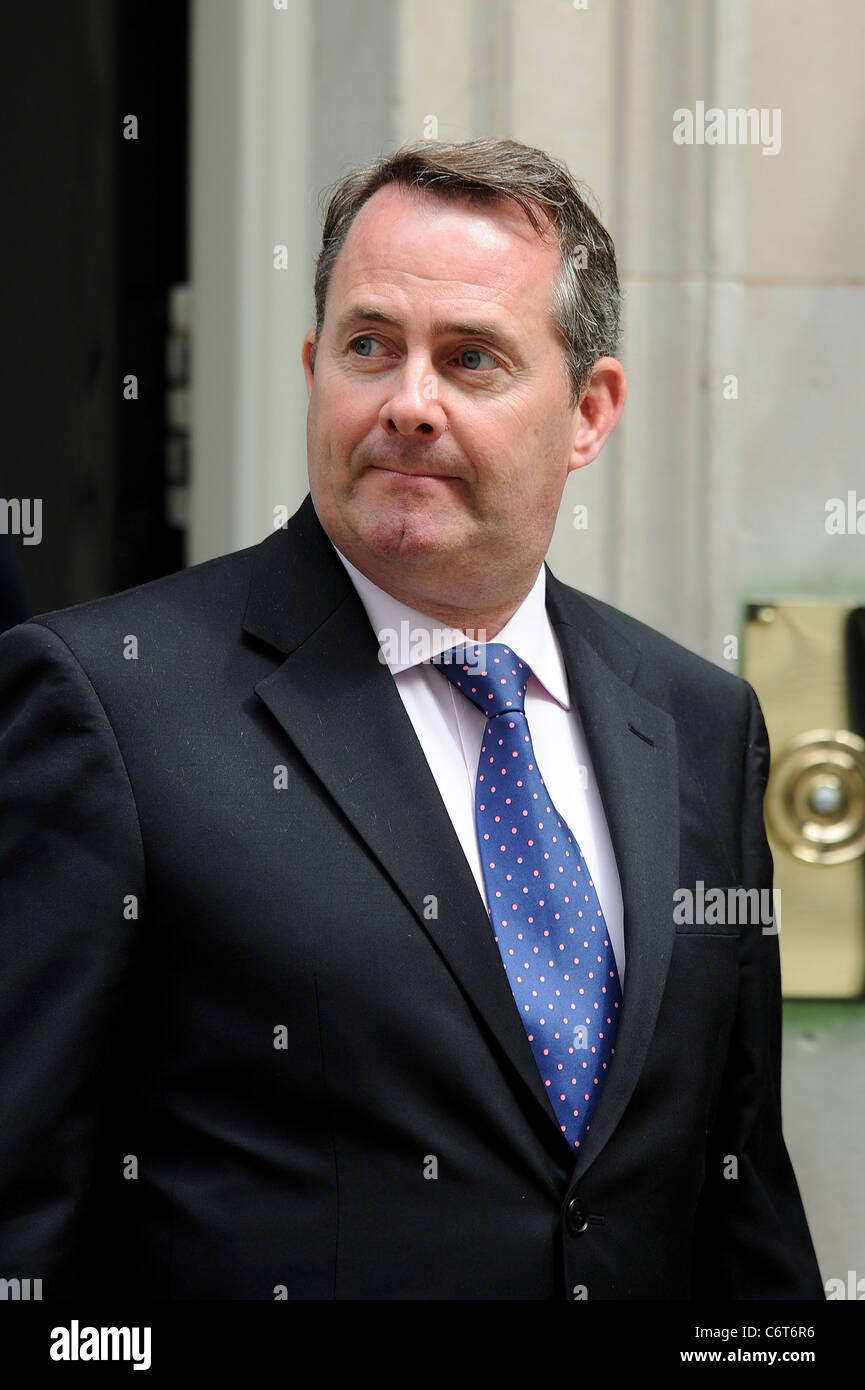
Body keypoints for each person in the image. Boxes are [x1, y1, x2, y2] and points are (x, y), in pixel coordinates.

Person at [0, 138, 823, 1301]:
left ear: (589, 411)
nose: (409, 405)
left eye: (472, 359)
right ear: (312, 366)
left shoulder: (696, 718)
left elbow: (742, 1215)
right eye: (370, 347)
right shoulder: (110, 703)